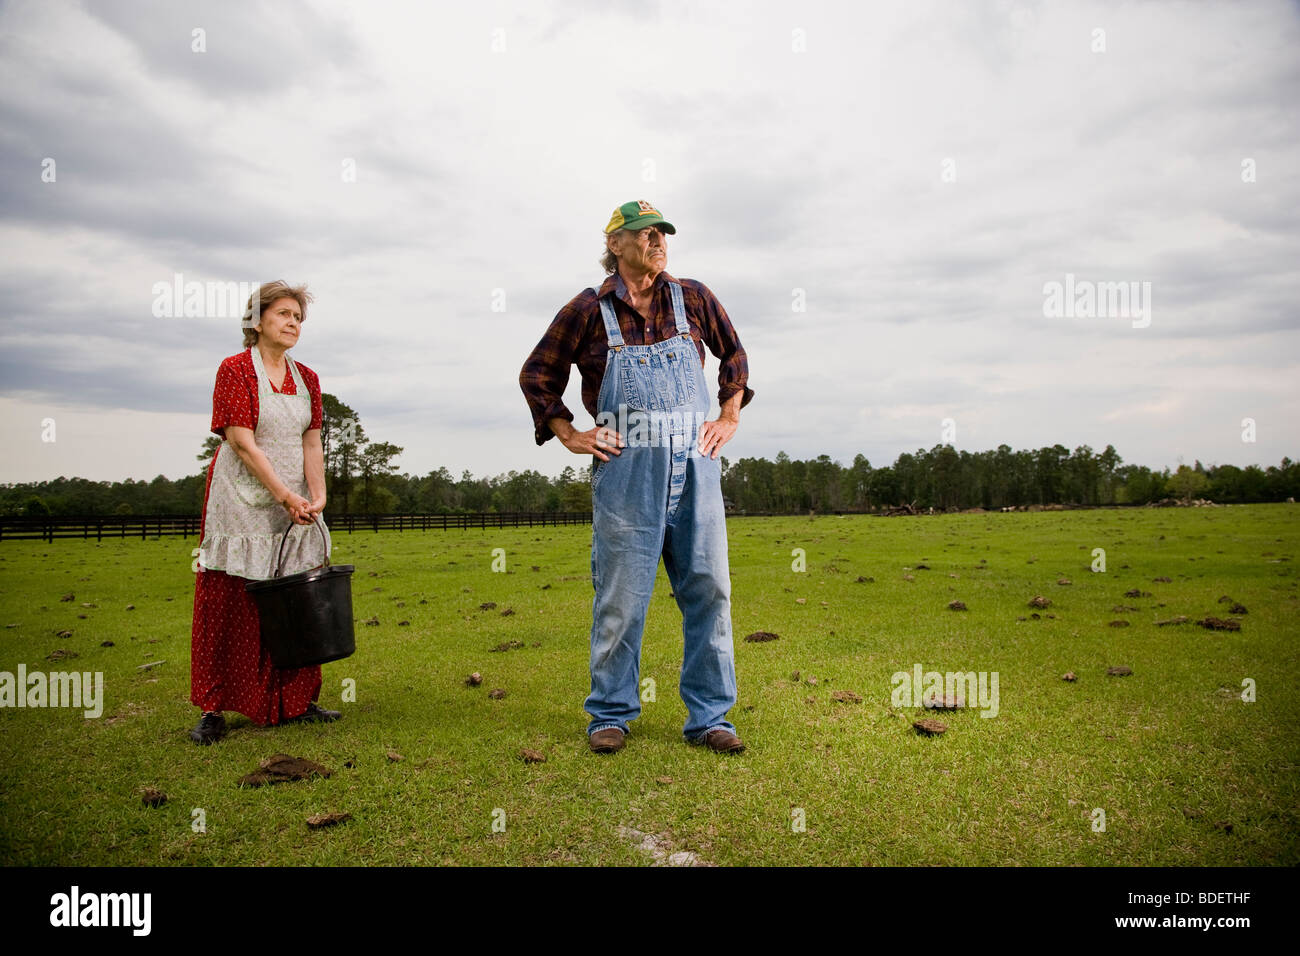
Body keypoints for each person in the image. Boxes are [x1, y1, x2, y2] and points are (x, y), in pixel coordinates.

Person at [519, 200, 754, 754]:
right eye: (643, 234)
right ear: (615, 245)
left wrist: (729, 416)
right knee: (623, 597)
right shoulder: (586, 308)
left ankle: (711, 717)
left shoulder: (692, 296)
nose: (656, 241)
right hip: (628, 471)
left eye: (661, 234)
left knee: (710, 590)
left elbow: (735, 357)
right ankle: (610, 713)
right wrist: (571, 434)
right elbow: (537, 374)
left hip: (695, 464)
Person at [188, 280, 340, 744]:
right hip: (243, 499)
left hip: (294, 500)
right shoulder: (234, 370)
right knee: (233, 596)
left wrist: (317, 495)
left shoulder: (308, 378)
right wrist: (282, 495)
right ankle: (213, 708)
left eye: (298, 317)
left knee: (298, 599)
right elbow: (241, 441)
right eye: (284, 314)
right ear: (257, 321)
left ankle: (296, 701)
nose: (293, 323)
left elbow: (311, 440)